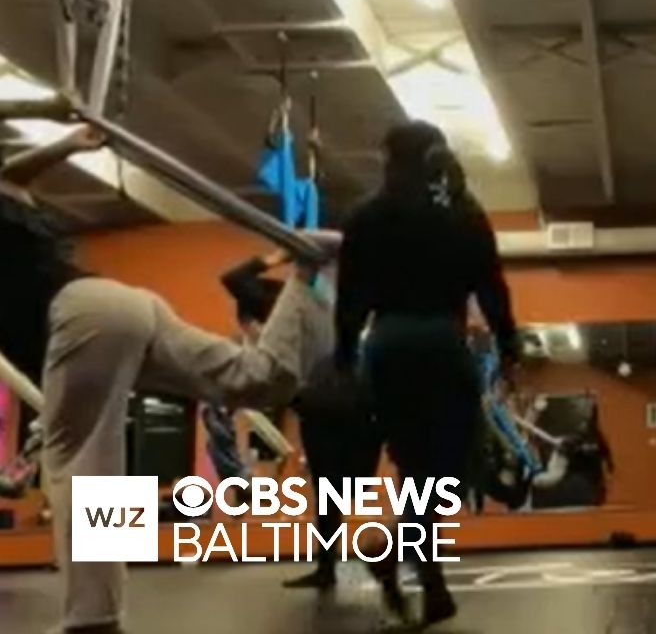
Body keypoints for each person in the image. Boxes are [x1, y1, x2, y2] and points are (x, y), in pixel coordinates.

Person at [1, 125, 325, 633]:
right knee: (253, 380)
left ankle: (95, 620)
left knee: (79, 460)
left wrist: (66, 144)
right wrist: (66, 144)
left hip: (80, 316)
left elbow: (10, 175)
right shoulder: (16, 215)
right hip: (127, 303)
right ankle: (306, 274)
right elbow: (15, 174)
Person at [335, 120, 518, 631]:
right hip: (442, 342)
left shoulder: (365, 217)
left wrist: (346, 357)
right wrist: (509, 345)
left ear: (389, 159)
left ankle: (412, 570)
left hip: (388, 346)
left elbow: (350, 297)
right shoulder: (463, 215)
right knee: (448, 475)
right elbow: (492, 286)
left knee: (416, 472)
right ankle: (417, 574)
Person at [218, 247, 384, 591]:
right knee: (327, 488)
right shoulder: (285, 302)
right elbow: (232, 278)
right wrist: (280, 255)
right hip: (313, 397)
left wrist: (285, 256)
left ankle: (354, 557)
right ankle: (326, 567)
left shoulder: (309, 298)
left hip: (339, 393)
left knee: (346, 484)